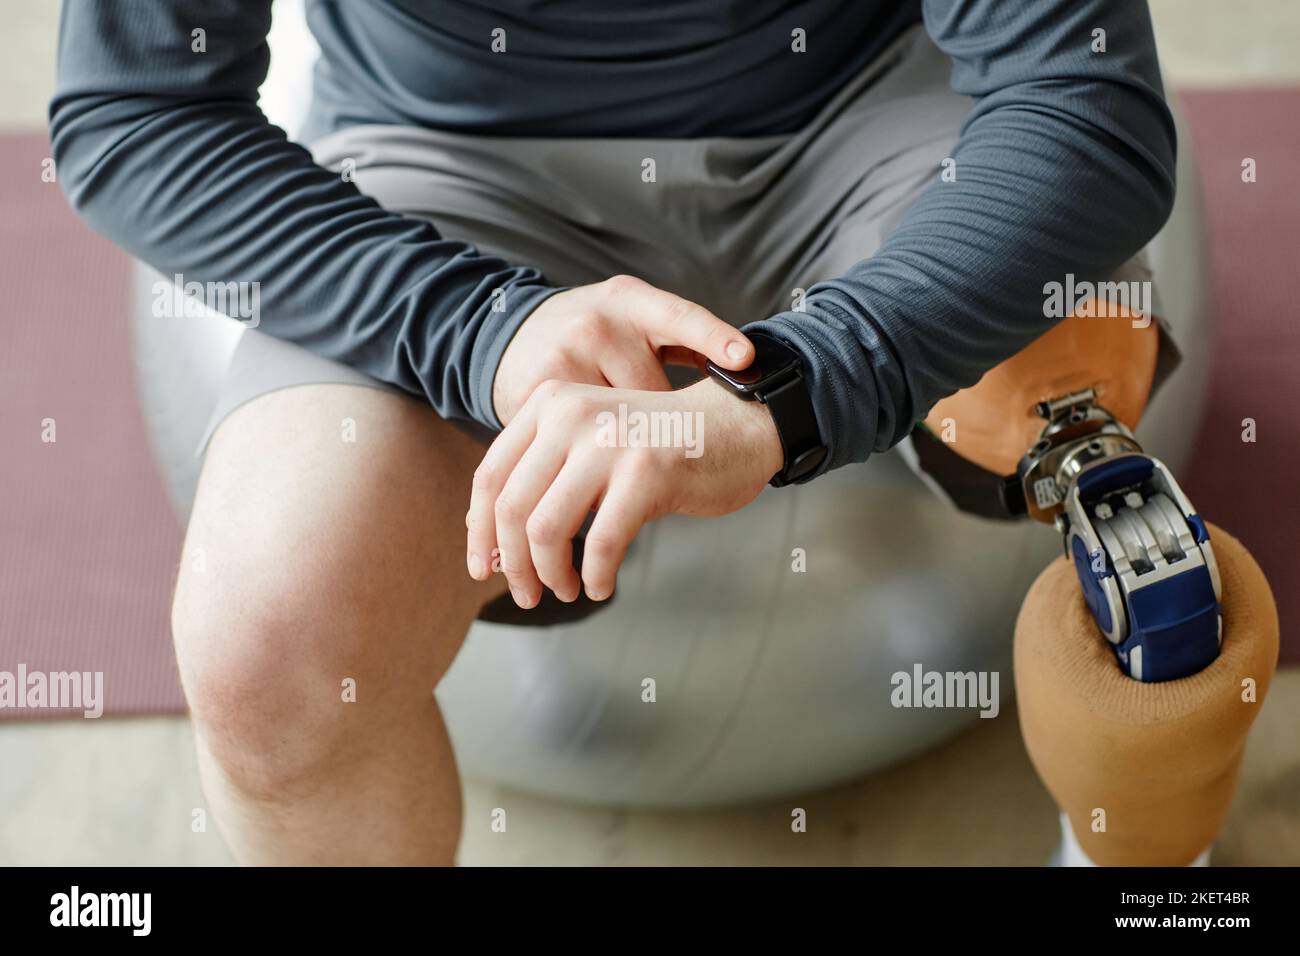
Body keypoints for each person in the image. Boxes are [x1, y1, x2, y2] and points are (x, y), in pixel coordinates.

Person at [50, 0, 1176, 864]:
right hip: (443, 159)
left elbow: (1080, 98)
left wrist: (792, 387)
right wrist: (479, 328)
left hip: (868, 109)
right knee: (266, 646)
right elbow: (136, 110)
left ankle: (1148, 859)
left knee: (1079, 368)